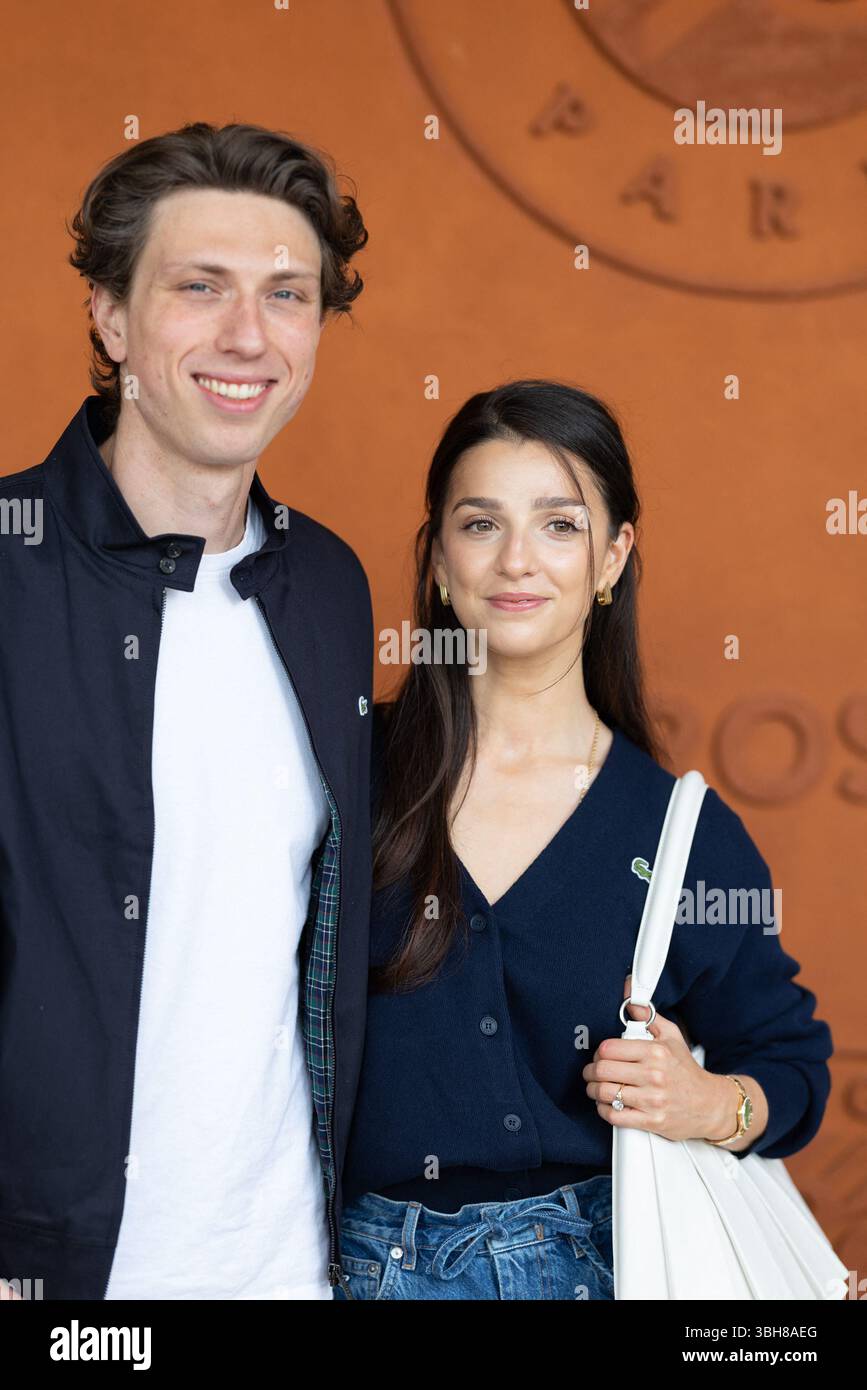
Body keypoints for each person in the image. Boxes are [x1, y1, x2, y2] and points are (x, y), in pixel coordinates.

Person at [334, 379, 834, 1301]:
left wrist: (711, 1105)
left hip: (609, 1268)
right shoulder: (340, 779)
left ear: (612, 557)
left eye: (559, 525)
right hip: (362, 1271)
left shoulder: (679, 831)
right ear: (438, 561)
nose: (517, 560)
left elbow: (791, 1064)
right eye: (480, 523)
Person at [0, 122, 375, 1299]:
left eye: (286, 294)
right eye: (198, 288)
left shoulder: (326, 586)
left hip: (286, 1268)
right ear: (110, 317)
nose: (247, 336)